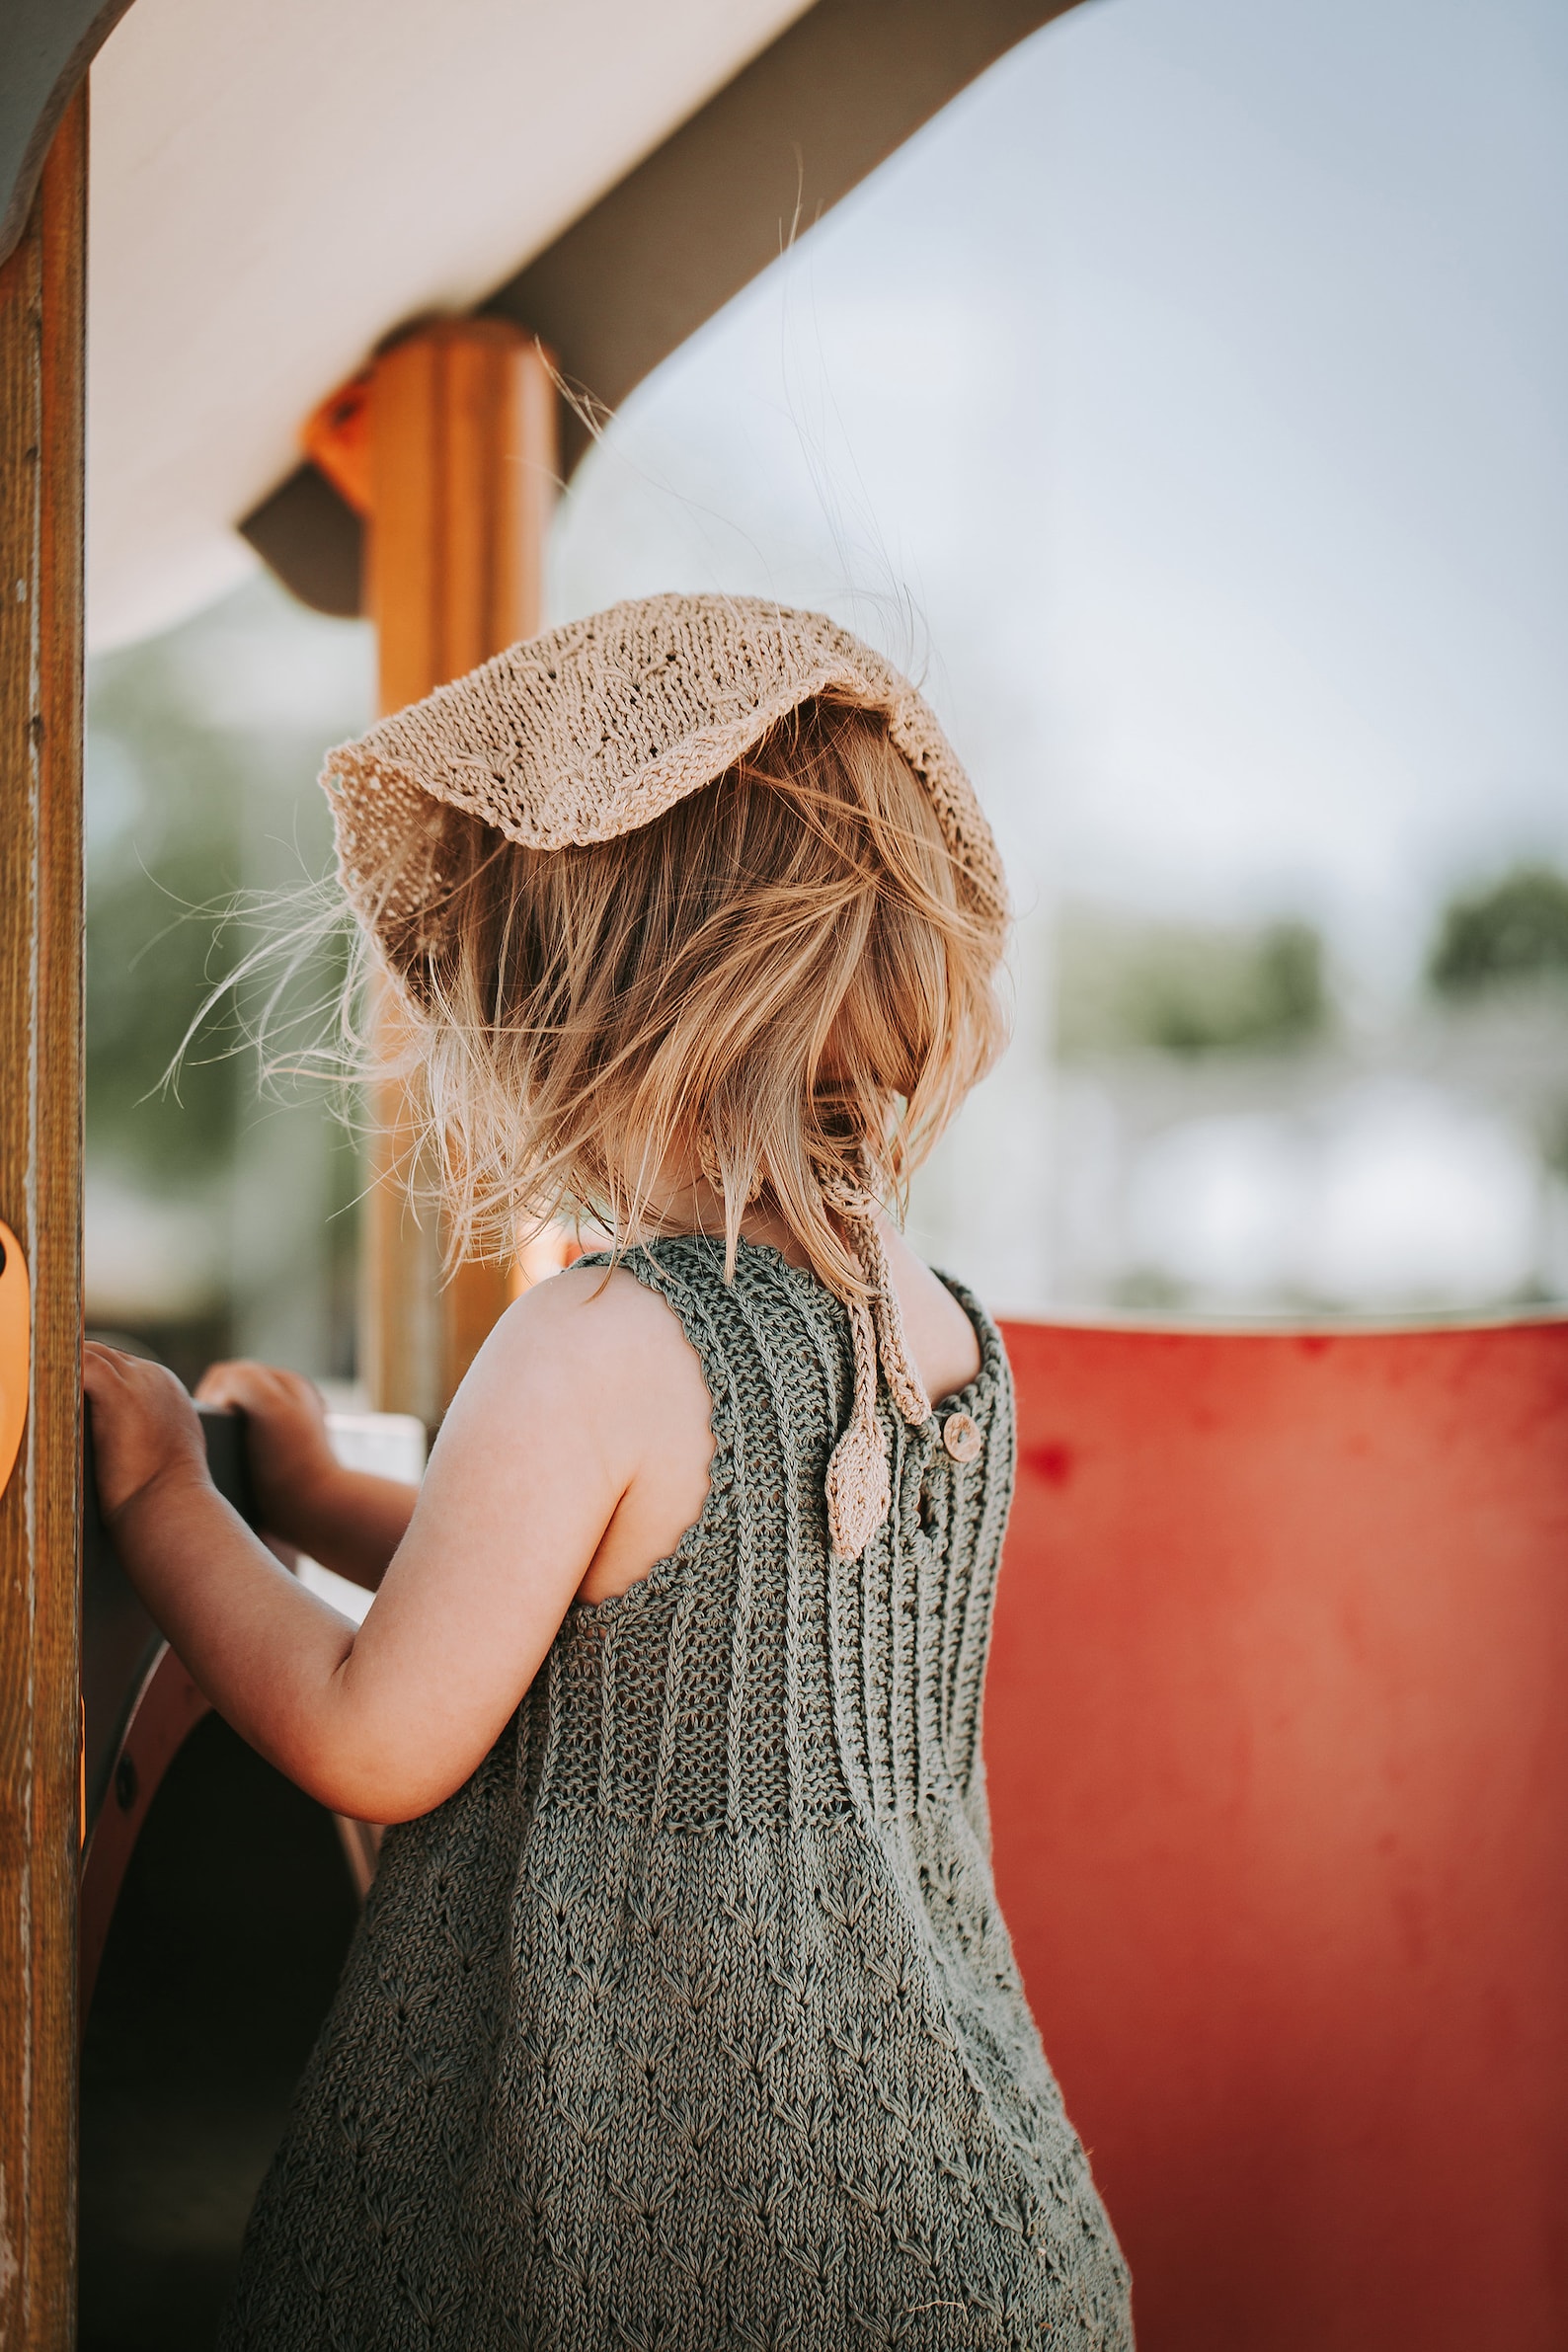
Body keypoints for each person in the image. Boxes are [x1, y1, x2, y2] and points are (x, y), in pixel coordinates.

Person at [84, 594, 1133, 2350]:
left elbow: (375, 1730)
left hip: (652, 2239)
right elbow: (641, 1609)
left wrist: (167, 1503)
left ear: (593, 1016)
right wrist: (318, 1503)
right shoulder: (942, 1336)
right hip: (944, 2214)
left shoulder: (596, 1345)